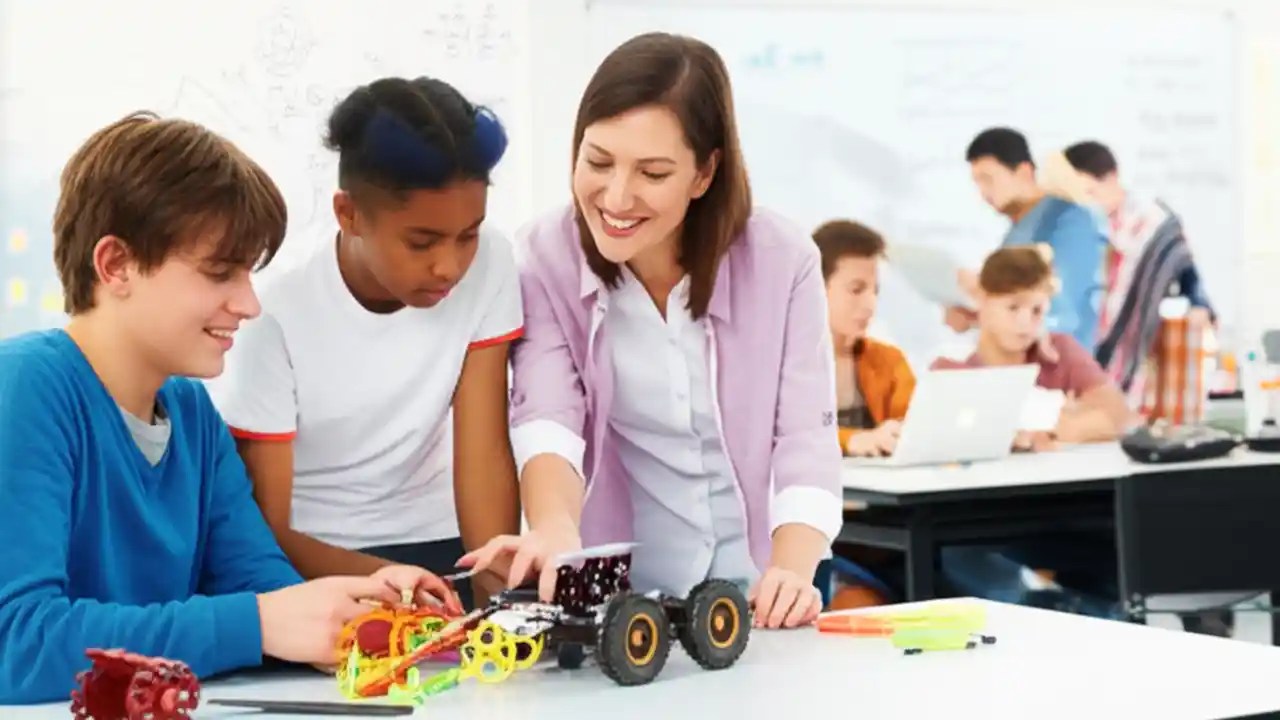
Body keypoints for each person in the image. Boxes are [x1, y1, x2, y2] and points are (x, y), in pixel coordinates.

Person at [0, 112, 454, 704]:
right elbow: (16, 643)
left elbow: (260, 587)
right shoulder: (26, 386)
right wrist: (262, 622)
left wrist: (361, 604)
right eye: (220, 273)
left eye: (247, 273)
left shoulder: (191, 413)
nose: (249, 303)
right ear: (116, 266)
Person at [458, 32, 843, 629]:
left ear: (704, 172)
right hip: (626, 604)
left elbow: (804, 437)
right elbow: (547, 416)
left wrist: (792, 572)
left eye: (653, 173)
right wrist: (555, 528)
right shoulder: (543, 255)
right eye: (598, 161)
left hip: (761, 595)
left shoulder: (781, 257)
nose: (615, 196)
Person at [203, 77, 522, 609]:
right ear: (348, 213)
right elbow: (265, 532)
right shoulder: (272, 312)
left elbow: (484, 445)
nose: (450, 265)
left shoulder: (490, 263)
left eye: (468, 234)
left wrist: (498, 597)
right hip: (314, 564)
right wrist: (391, 579)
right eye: (421, 242)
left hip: (442, 555)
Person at [931, 246, 1130, 618]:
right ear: (983, 302)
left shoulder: (1059, 353)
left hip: (1063, 514)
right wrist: (1060, 409)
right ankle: (1037, 607)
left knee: (1115, 544)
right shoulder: (952, 369)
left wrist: (1058, 423)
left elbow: (1117, 416)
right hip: (982, 520)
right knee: (955, 556)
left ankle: (1077, 610)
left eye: (1036, 310)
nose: (1025, 323)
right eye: (1013, 308)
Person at [1062, 140, 1214, 398]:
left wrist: (1198, 305)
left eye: (1091, 193)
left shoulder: (1152, 222)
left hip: (1145, 354)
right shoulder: (1079, 225)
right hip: (1090, 345)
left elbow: (1185, 273)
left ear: (1112, 177)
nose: (1086, 203)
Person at [951, 127, 1107, 353]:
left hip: (1062, 368)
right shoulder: (1015, 234)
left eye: (988, 179)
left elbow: (1060, 312)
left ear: (1024, 172)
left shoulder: (1070, 221)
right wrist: (977, 312)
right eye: (977, 183)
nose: (983, 193)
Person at [813, 219, 915, 457]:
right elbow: (778, 436)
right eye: (856, 290)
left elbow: (916, 424)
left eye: (874, 291)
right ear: (815, 287)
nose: (870, 304)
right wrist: (852, 440)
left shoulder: (889, 360)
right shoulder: (782, 363)